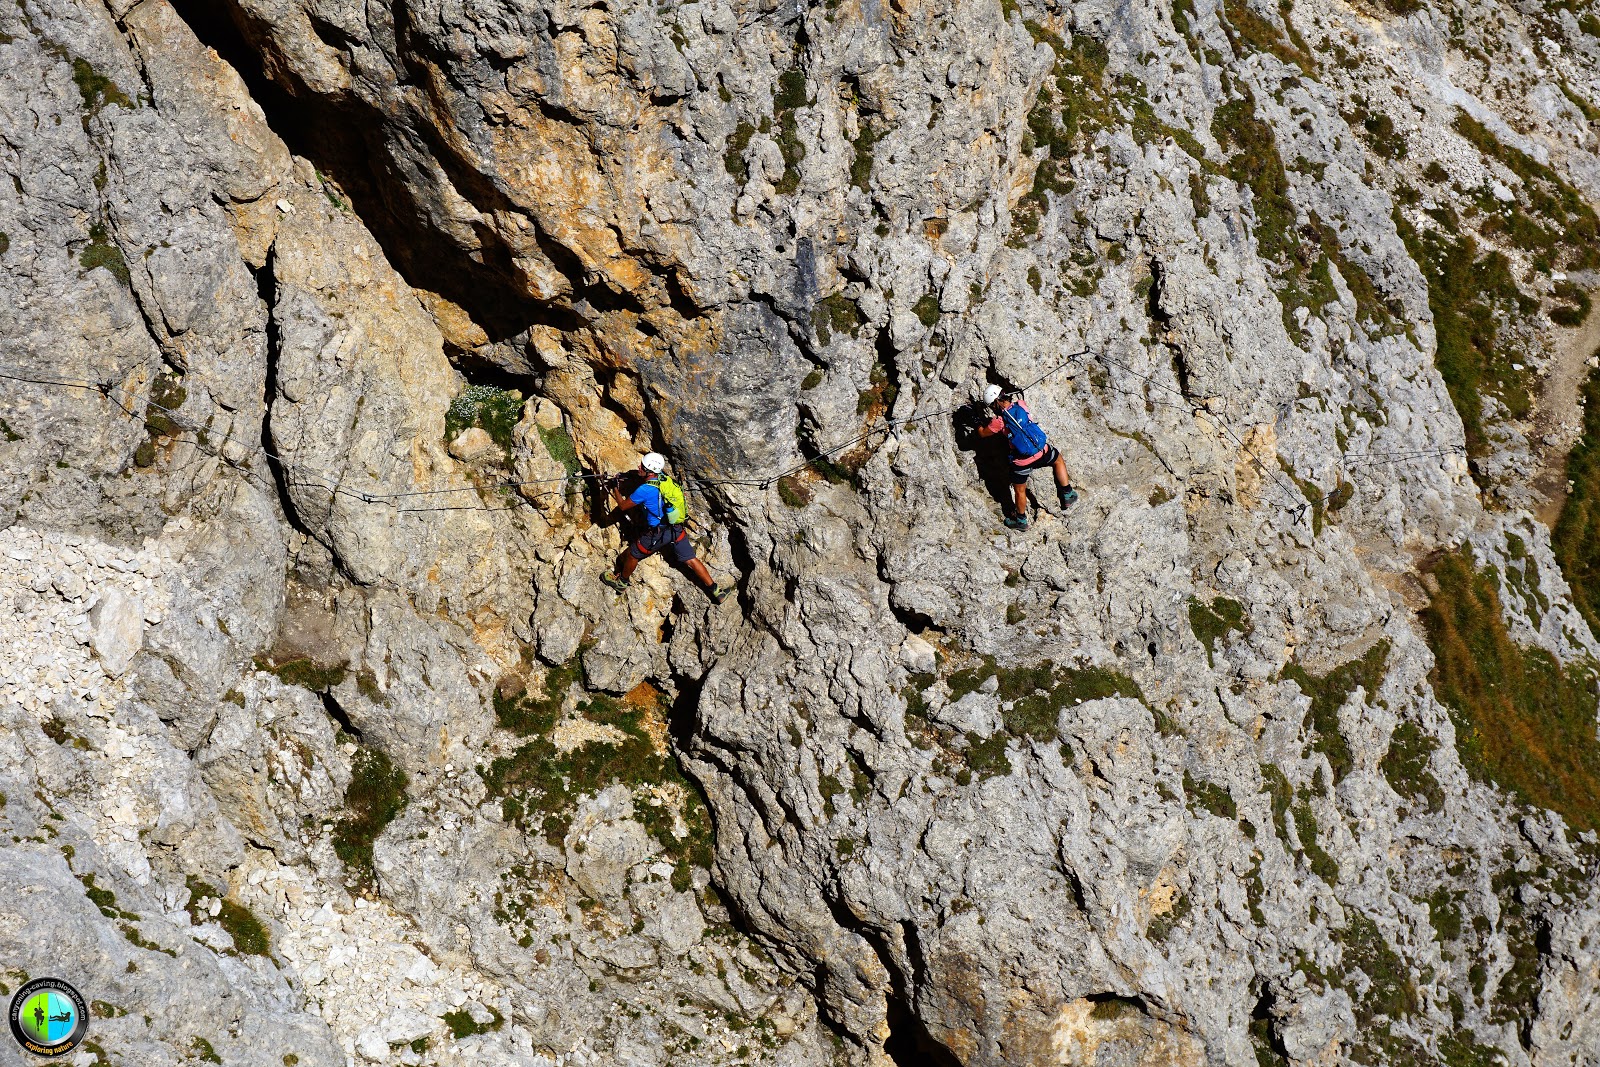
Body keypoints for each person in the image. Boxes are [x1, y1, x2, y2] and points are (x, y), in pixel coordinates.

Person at [600, 452, 733, 603]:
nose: (639, 466)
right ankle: (717, 591)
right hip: (675, 528)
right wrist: (630, 475)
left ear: (649, 471)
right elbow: (647, 479)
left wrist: (615, 487)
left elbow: (623, 506)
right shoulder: (664, 478)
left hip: (656, 535)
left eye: (642, 466)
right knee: (690, 559)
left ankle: (621, 582)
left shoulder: (645, 490)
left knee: (632, 554)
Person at [976, 383, 1077, 529]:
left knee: (1020, 490)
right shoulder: (1021, 405)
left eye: (991, 406)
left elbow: (982, 433)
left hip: (1022, 461)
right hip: (1040, 451)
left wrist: (977, 421)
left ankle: (1021, 520)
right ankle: (1067, 493)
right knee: (1058, 459)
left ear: (995, 403)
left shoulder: (998, 422)